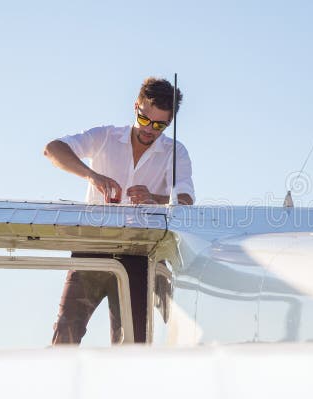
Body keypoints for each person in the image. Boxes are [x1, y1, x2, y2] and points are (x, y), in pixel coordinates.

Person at [44, 77, 194, 345]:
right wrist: (91, 175)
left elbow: (185, 200)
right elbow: (53, 149)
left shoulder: (176, 153)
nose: (150, 129)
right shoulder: (105, 137)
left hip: (138, 255)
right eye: (146, 120)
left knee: (133, 342)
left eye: (160, 125)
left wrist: (154, 198)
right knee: (65, 333)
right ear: (136, 106)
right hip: (91, 247)